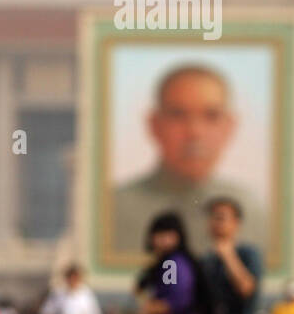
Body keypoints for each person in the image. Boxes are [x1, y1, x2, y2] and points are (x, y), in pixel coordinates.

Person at [111, 65, 266, 256]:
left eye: (211, 116)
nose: (195, 132)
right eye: (178, 114)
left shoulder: (254, 213)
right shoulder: (113, 210)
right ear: (154, 125)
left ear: (229, 126)